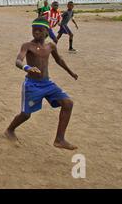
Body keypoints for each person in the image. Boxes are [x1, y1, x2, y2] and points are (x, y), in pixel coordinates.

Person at [5, 17, 78, 150]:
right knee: (25, 114)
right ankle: (10, 130)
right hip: (32, 85)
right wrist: (27, 68)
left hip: (47, 84)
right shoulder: (27, 46)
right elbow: (18, 60)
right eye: (34, 30)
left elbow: (59, 60)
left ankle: (59, 139)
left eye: (40, 30)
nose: (36, 32)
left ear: (47, 32)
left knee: (68, 103)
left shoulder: (51, 46)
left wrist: (70, 72)